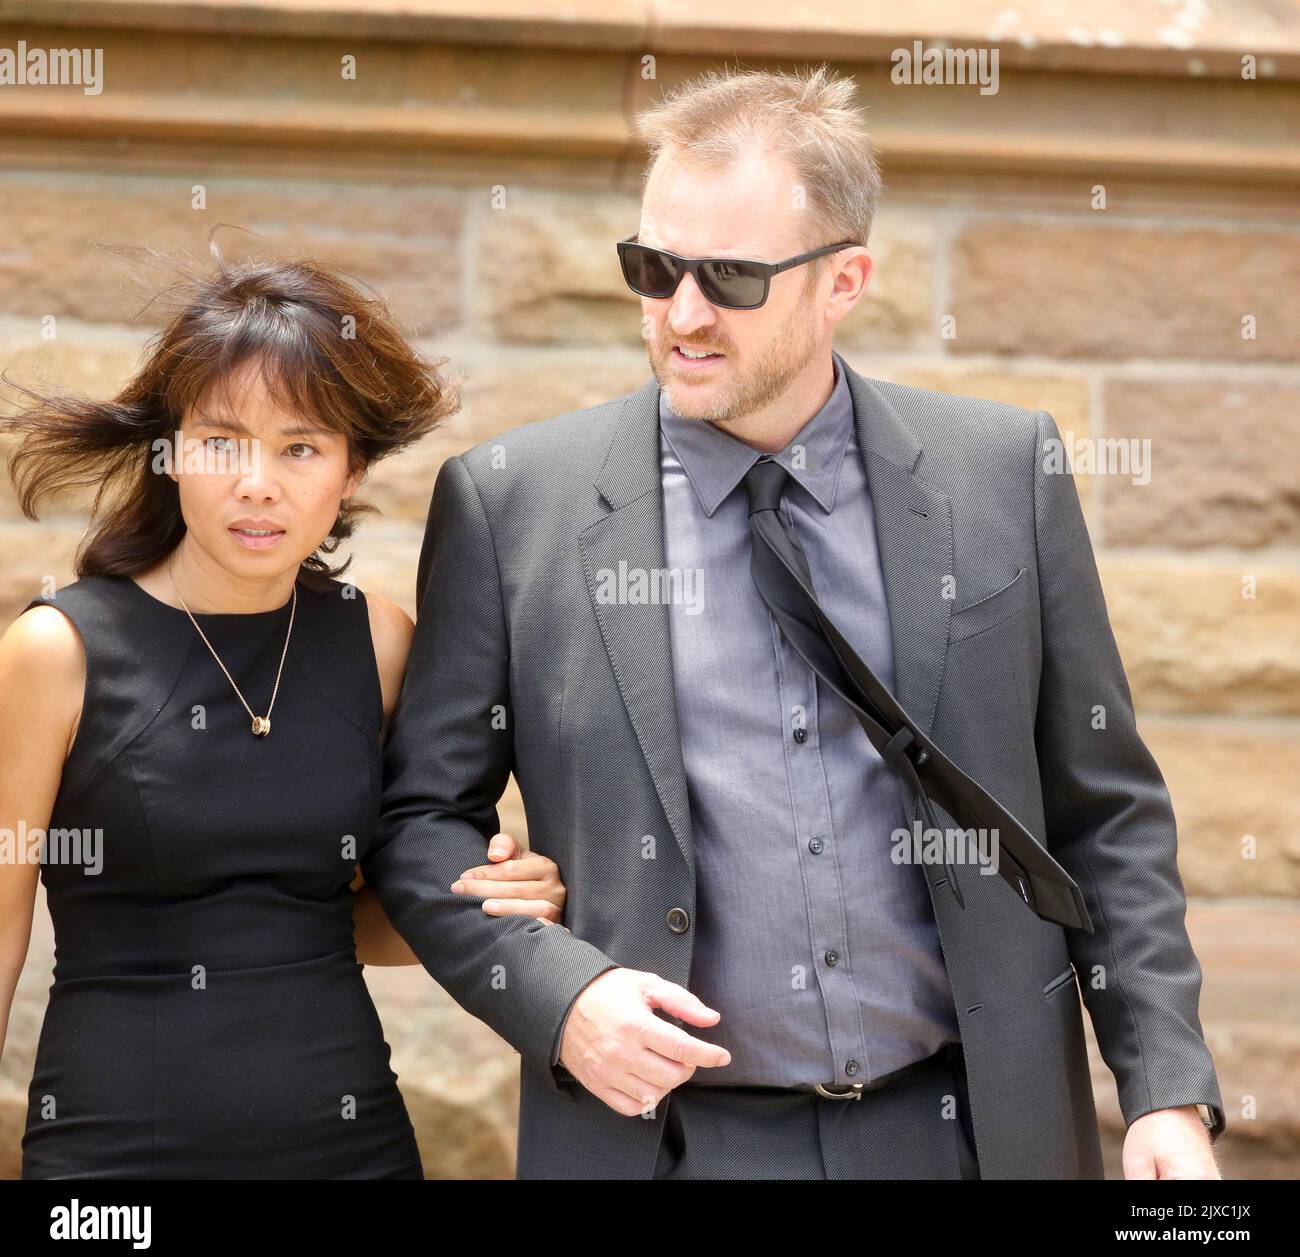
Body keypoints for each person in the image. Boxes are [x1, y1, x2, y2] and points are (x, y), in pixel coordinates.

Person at [360, 66, 1225, 1180]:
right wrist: (558, 995)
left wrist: (1163, 1093)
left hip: (972, 1140)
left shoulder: (1002, 473)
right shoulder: (510, 502)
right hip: (663, 1147)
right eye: (652, 268)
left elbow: (1103, 814)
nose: (681, 314)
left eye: (729, 277)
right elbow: (421, 820)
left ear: (844, 280)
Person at [0, 249, 567, 1179]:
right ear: (172, 452)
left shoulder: (380, 645)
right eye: (222, 442)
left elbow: (358, 918)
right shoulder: (57, 651)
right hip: (114, 1157)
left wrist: (484, 898)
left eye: (300, 447)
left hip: (349, 1148)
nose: (257, 482)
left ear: (350, 472)